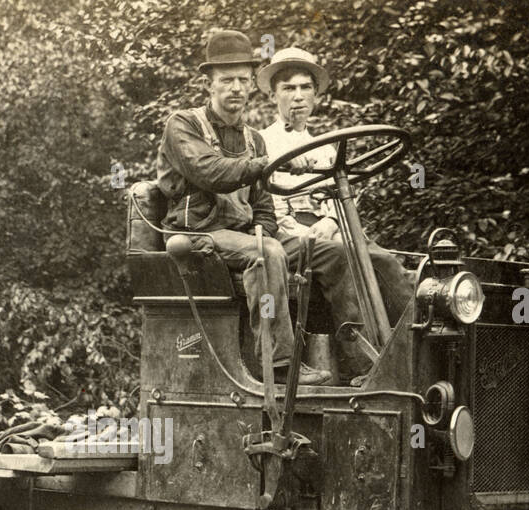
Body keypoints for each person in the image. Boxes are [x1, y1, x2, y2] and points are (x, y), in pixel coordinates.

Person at [156, 30, 331, 386]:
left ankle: (359, 352)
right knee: (266, 253)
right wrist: (268, 164)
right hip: (197, 235)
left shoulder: (254, 139)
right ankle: (280, 364)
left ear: (251, 83)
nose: (235, 87)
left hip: (239, 238)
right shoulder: (183, 125)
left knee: (330, 252)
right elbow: (211, 172)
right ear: (209, 84)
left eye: (242, 79)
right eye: (226, 80)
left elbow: (263, 206)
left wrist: (264, 229)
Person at [257, 47, 415, 374]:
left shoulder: (327, 146)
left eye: (305, 88)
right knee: (343, 258)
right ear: (274, 95)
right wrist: (306, 233)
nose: (298, 97)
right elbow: (268, 206)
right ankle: (363, 364)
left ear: (315, 95)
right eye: (288, 89)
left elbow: (340, 200)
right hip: (289, 237)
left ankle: (411, 354)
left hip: (331, 232)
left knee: (385, 261)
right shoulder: (262, 143)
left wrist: (330, 221)